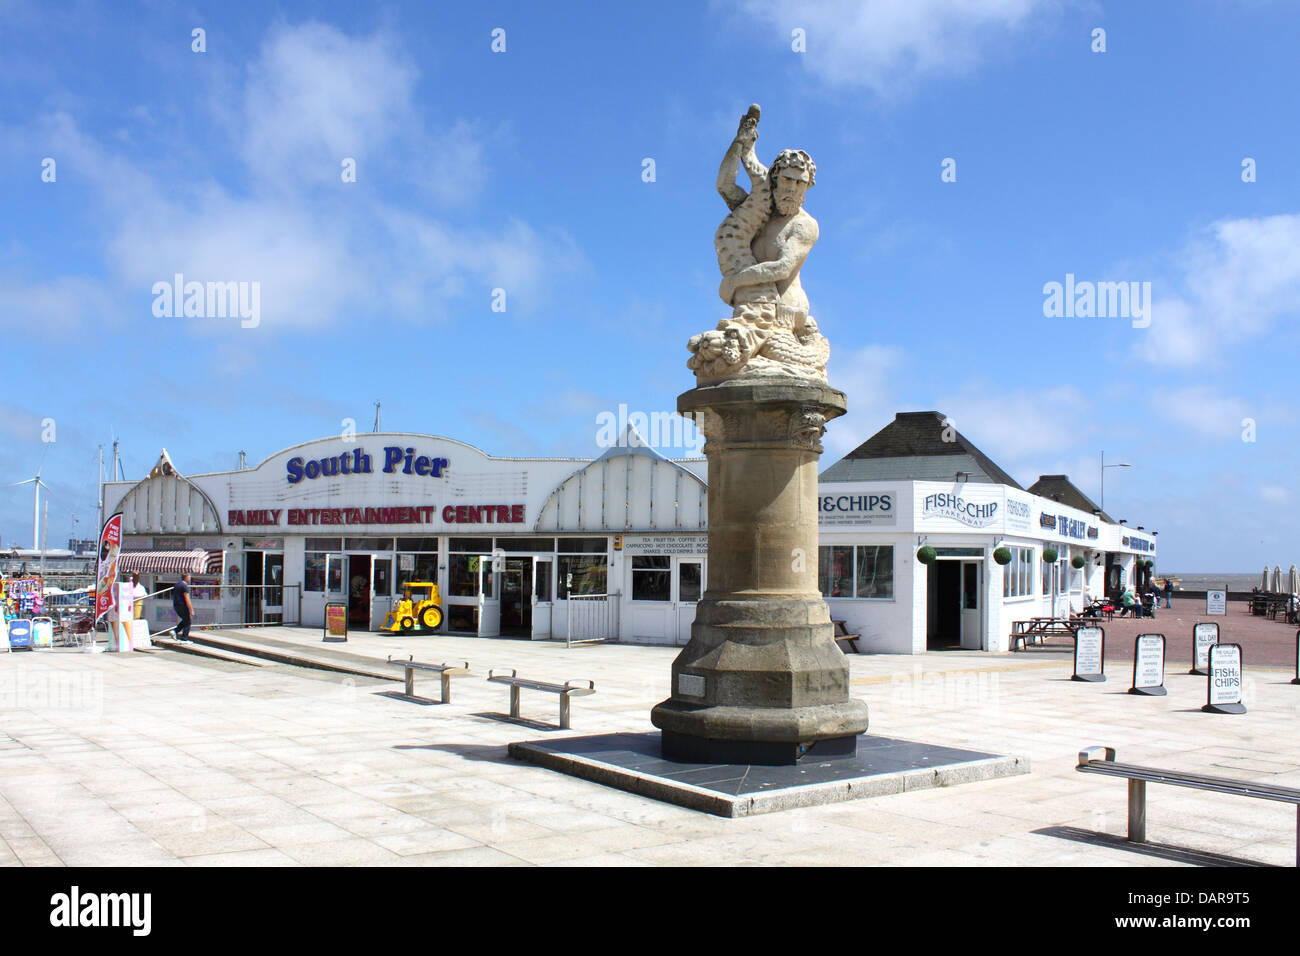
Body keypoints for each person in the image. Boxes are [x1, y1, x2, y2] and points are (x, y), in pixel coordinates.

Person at [172, 573, 194, 643]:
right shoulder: (184, 586)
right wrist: (191, 610)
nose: (190, 579)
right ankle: (184, 638)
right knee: (188, 622)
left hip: (176, 605)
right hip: (182, 605)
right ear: (186, 578)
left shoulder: (177, 585)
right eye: (189, 577)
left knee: (185, 620)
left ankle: (175, 631)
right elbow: (187, 599)